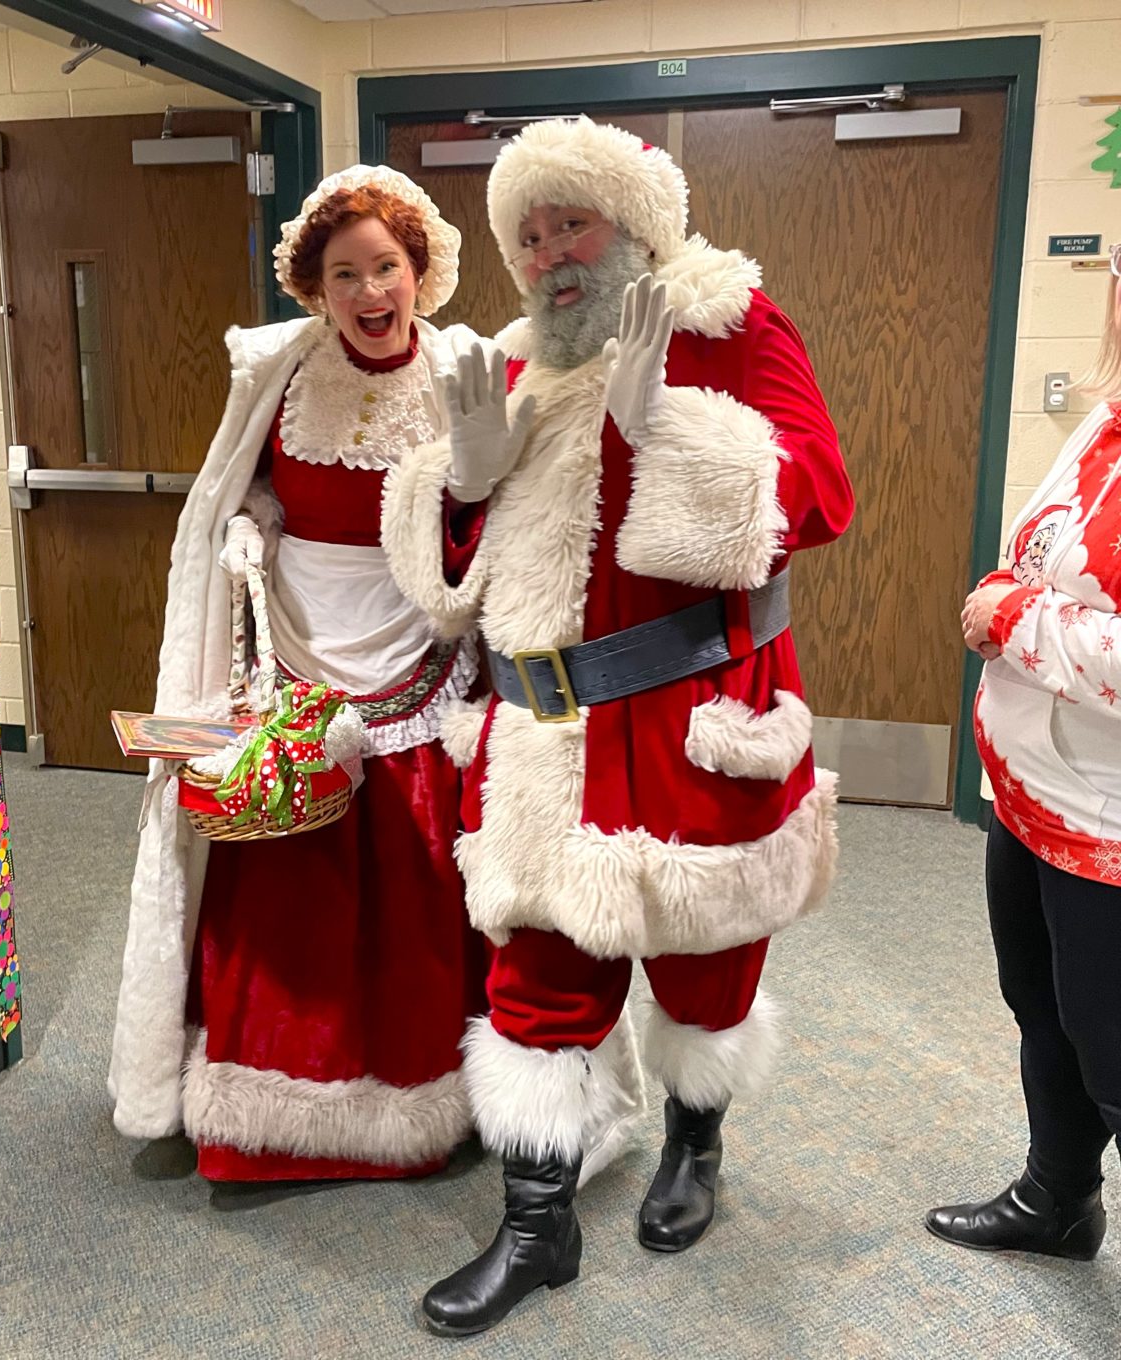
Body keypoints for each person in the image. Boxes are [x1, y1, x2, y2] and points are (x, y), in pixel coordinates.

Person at [381, 117, 854, 1335]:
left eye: (569, 224)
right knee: (535, 983)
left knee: (705, 972)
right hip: (541, 741)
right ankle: (537, 1230)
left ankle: (695, 1145)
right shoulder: (514, 366)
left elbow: (816, 493)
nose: (547, 256)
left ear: (635, 226)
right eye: (527, 237)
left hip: (689, 714)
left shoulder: (728, 324)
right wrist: (463, 479)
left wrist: (670, 431)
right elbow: (452, 580)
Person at [107, 166, 491, 1182]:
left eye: (387, 268)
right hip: (294, 648)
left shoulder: (465, 370)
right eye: (345, 274)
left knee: (415, 885)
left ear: (422, 271)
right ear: (313, 289)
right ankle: (263, 1117)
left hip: (421, 644)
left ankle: (415, 1099)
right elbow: (253, 486)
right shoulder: (277, 371)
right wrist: (250, 526)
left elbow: (493, 518)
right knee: (281, 879)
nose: (371, 293)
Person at [927, 240, 1121, 1261]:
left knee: (1113, 1047)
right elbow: (1041, 553)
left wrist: (1012, 619)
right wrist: (1018, 594)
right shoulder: (1106, 414)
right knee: (1042, 1008)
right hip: (1037, 794)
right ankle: (1057, 1198)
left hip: (1112, 829)